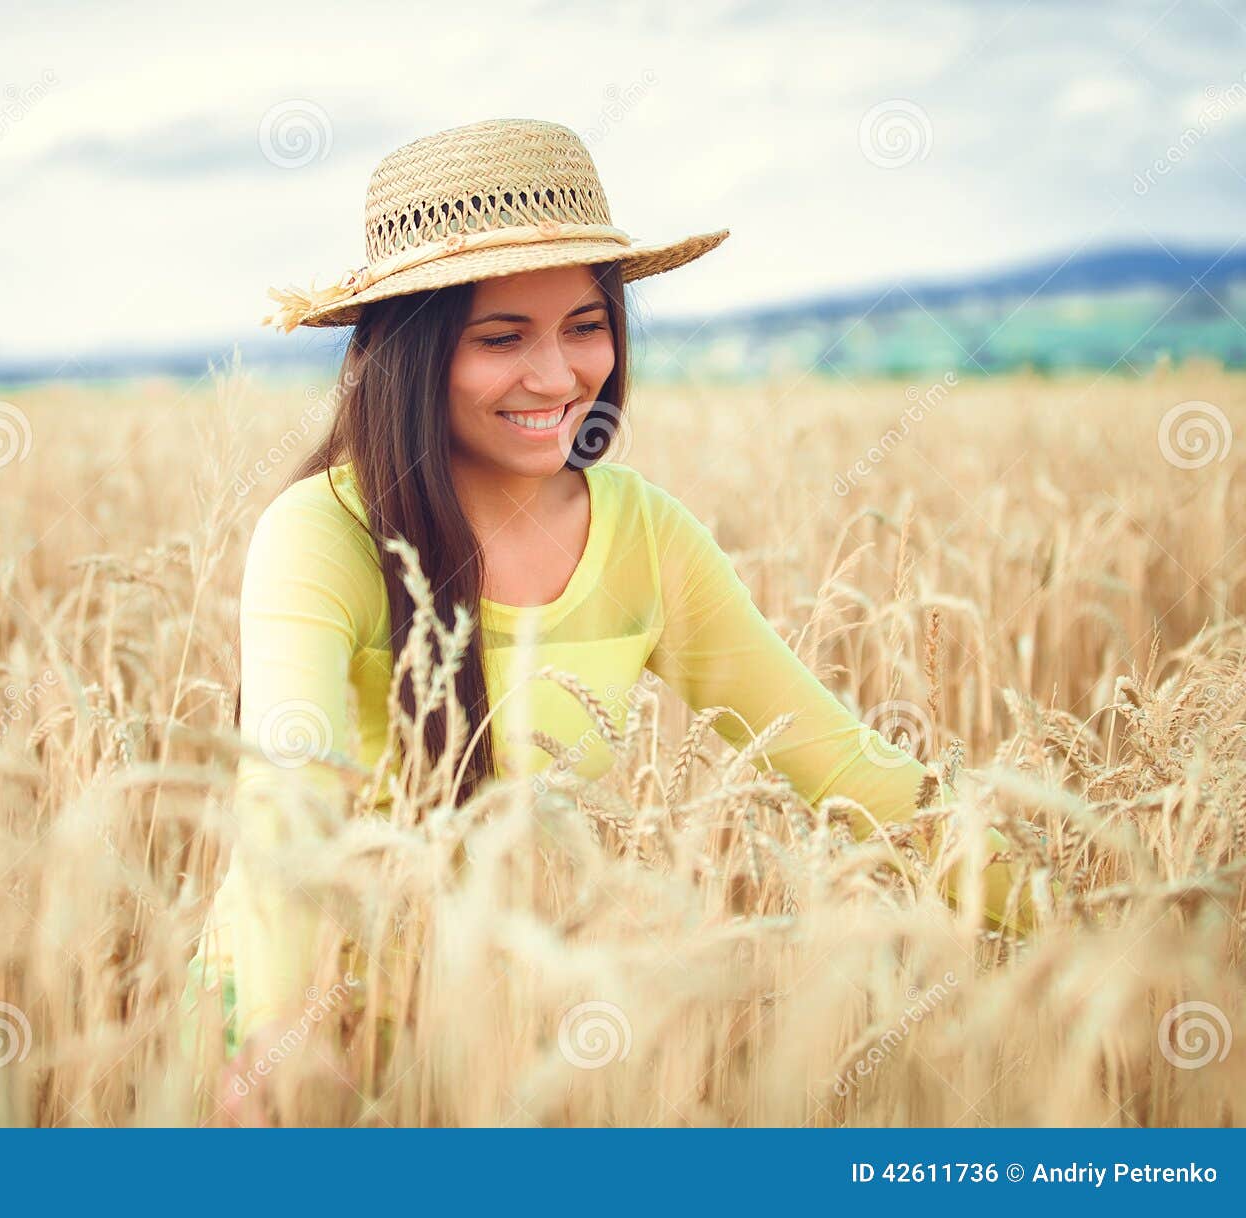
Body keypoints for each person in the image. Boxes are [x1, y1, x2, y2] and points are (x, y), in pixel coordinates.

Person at [180, 118, 1038, 1117]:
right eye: (501, 337)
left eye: (584, 326)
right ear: (410, 354)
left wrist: (1099, 930)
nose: (556, 376)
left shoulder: (647, 537)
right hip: (301, 1021)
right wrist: (282, 1040)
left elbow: (848, 773)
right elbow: (288, 798)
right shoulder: (320, 531)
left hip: (509, 1022)